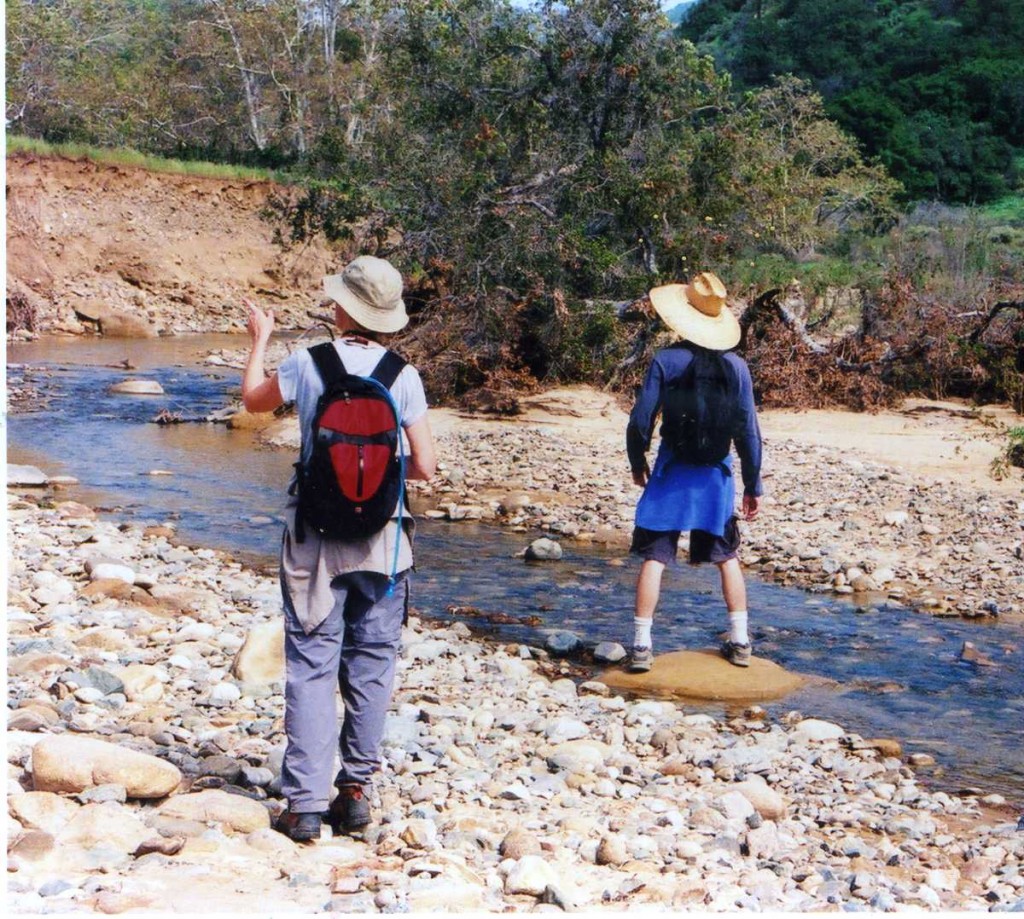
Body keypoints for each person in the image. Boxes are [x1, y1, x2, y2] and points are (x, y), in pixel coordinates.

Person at [241, 255, 437, 842]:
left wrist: (261, 340)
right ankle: (355, 794)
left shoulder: (308, 362)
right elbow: (425, 466)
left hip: (315, 540)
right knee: (372, 666)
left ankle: (303, 805)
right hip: (384, 543)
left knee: (310, 665)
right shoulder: (402, 373)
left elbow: (252, 401)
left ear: (340, 308)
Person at [625, 272, 763, 673]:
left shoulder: (665, 361)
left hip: (672, 470)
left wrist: (638, 462)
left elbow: (640, 421)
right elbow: (748, 430)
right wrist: (753, 484)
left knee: (656, 556)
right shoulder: (737, 368)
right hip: (715, 476)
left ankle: (640, 646)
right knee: (727, 557)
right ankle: (739, 642)